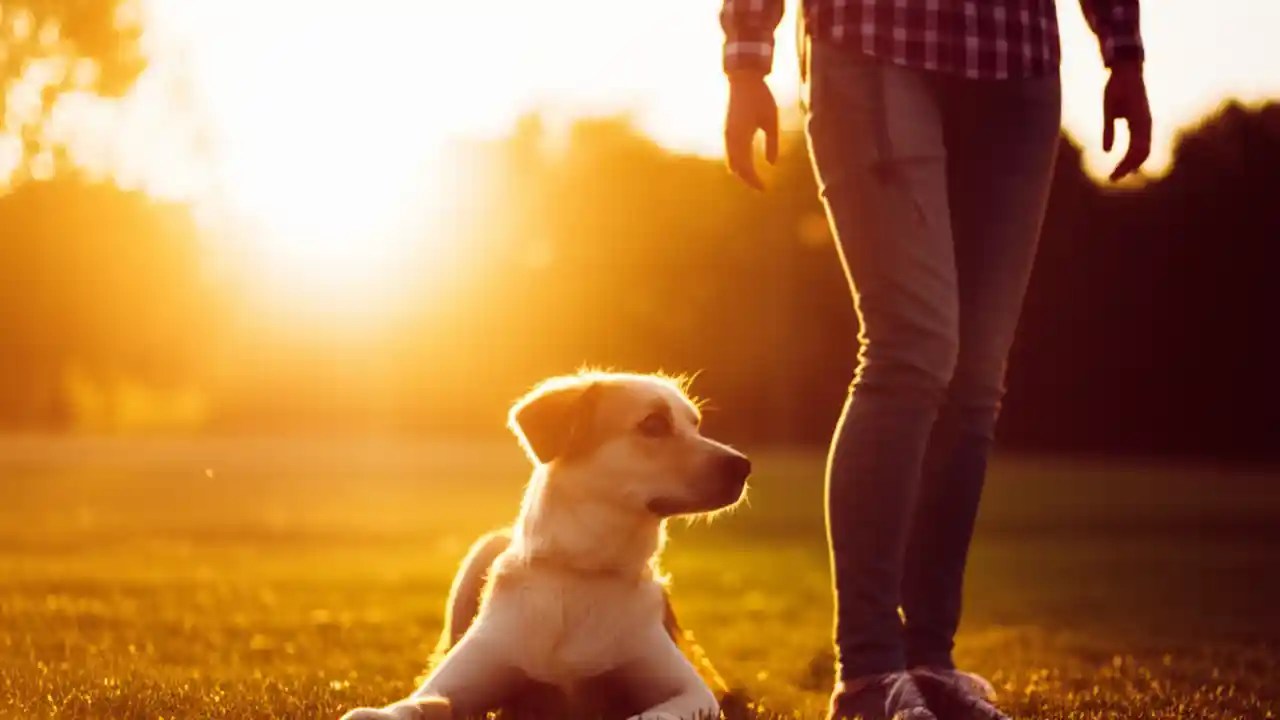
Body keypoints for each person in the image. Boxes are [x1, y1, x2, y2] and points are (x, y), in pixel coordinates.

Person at [719, 1, 1150, 719]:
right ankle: (866, 672)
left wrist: (1124, 50)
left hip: (1019, 57)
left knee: (977, 379)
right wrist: (746, 56)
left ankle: (928, 659)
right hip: (878, 38)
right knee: (910, 349)